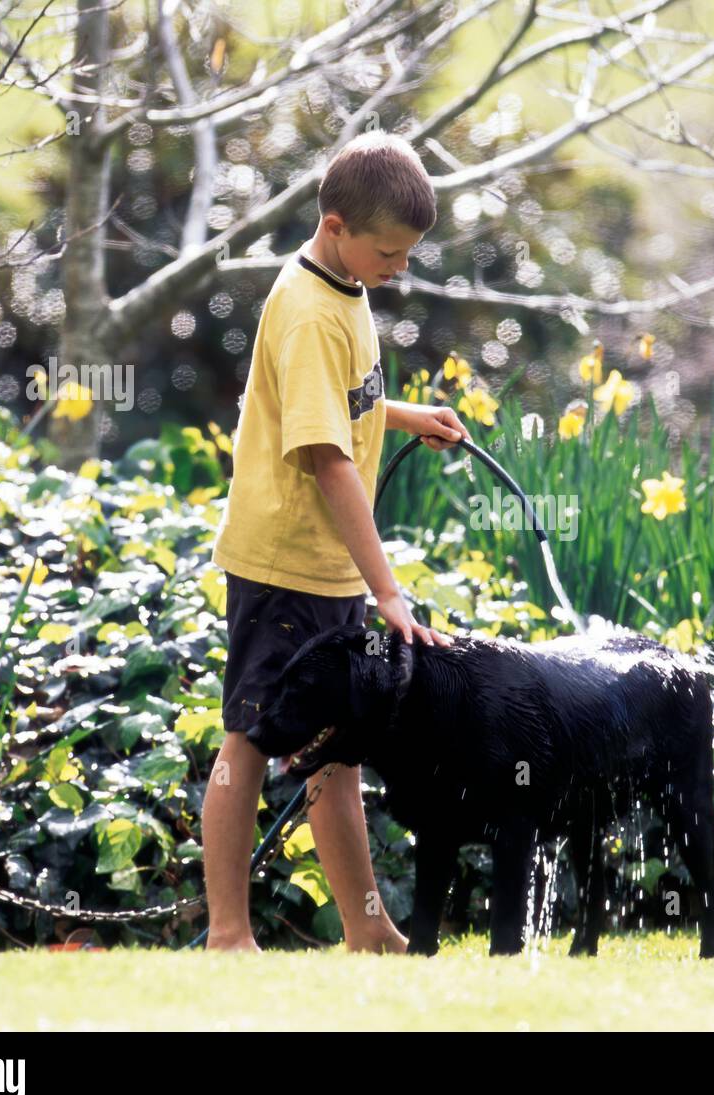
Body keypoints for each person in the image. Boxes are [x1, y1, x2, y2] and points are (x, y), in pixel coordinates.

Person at [202, 131, 471, 953]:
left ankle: (368, 931)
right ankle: (226, 934)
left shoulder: (343, 288)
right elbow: (325, 458)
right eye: (389, 251)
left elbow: (332, 405)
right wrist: (386, 589)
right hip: (284, 562)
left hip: (323, 569)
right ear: (335, 224)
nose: (400, 268)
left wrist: (404, 414)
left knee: (336, 752)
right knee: (250, 738)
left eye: (408, 254)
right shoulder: (312, 309)